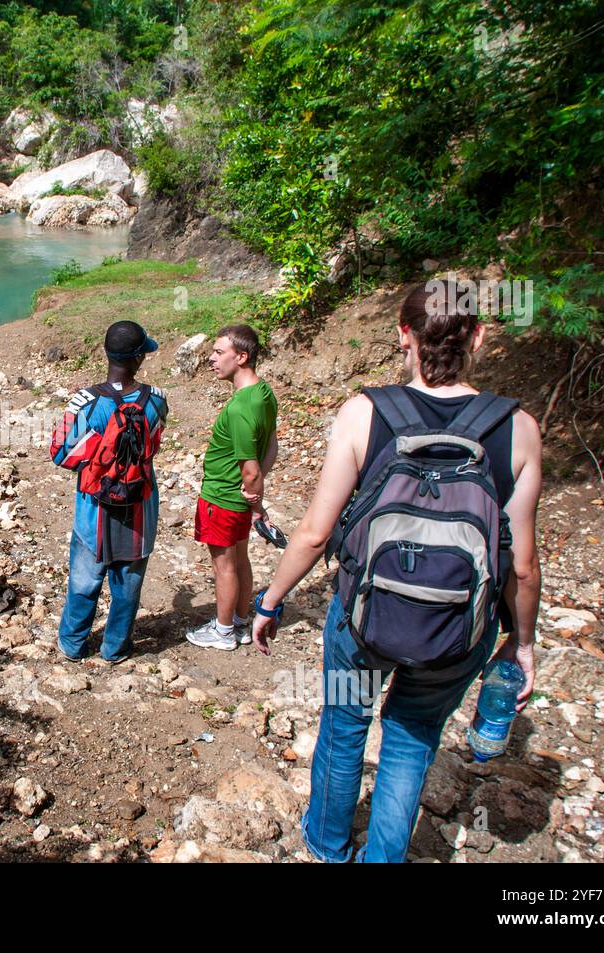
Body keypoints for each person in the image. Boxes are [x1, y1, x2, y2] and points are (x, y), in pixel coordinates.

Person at [249, 280, 542, 864]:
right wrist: (524, 644)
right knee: (411, 742)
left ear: (401, 335)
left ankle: (328, 847)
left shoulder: (365, 413)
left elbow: (313, 532)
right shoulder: (518, 429)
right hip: (458, 629)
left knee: (343, 727)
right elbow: (524, 564)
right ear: (480, 336)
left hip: (363, 617)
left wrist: (271, 600)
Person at [49, 321, 168, 663]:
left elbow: (61, 454)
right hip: (139, 510)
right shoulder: (156, 401)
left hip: (94, 510)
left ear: (107, 353)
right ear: (139, 359)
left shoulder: (84, 402)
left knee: (84, 581)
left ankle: (72, 644)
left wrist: (99, 455)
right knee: (128, 585)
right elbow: (153, 445)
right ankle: (115, 648)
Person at [185, 325, 280, 651]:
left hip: (222, 498)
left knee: (223, 567)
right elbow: (272, 446)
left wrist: (255, 501)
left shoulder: (240, 408)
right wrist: (253, 494)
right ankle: (240, 621)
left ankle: (223, 631)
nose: (211, 358)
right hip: (236, 497)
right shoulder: (263, 393)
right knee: (241, 559)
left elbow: (251, 469)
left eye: (219, 352)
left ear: (241, 357)